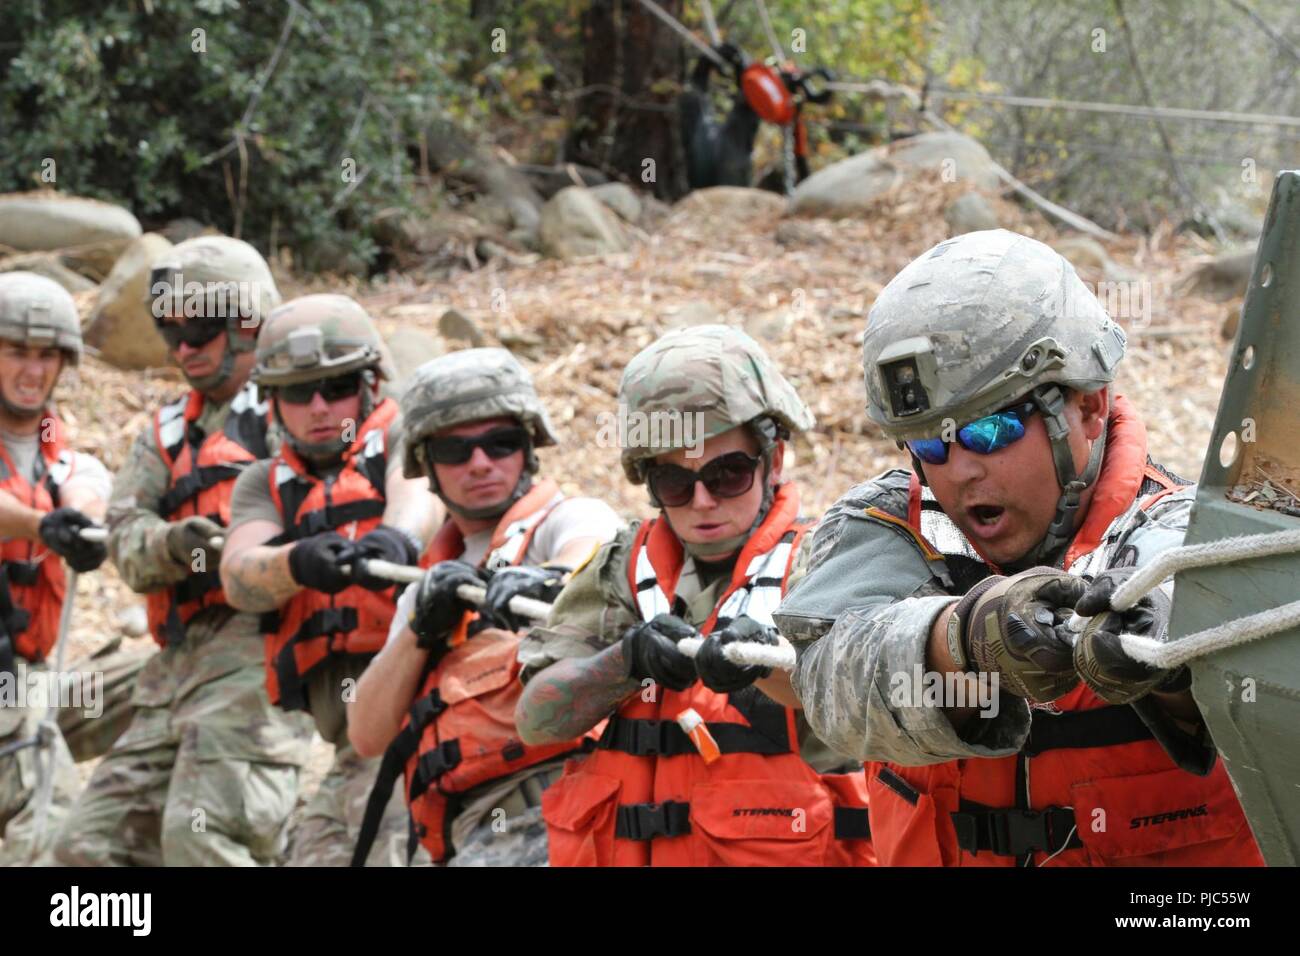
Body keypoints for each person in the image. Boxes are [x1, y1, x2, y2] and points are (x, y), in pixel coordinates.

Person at [775, 229, 1264, 866]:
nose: (957, 472)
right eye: (928, 445)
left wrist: (1170, 668)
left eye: (988, 430)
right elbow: (825, 686)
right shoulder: (885, 526)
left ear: (1087, 407)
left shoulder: (1200, 536)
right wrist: (966, 641)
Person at [514, 324, 873, 867]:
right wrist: (624, 661)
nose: (702, 501)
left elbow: (867, 711)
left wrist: (764, 672)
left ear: (773, 462)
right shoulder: (621, 570)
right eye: (675, 483)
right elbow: (537, 721)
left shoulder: (826, 564)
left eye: (727, 473)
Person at [54, 236, 315, 866]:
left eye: (199, 328)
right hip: (177, 663)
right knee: (87, 850)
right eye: (169, 331)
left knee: (201, 839)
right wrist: (174, 544)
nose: (183, 348)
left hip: (265, 649)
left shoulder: (307, 409)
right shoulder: (170, 429)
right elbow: (124, 536)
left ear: (247, 320)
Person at [349, 348, 621, 867]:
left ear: (529, 449)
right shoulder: (428, 583)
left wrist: (541, 581)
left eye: (501, 443)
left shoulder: (566, 521)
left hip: (575, 809)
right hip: (474, 834)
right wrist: (419, 632)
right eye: (456, 450)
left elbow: (590, 552)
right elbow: (366, 732)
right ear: (426, 464)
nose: (480, 463)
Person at [220, 293, 439, 866]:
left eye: (337, 386)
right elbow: (239, 575)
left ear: (369, 386)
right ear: (272, 402)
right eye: (298, 392)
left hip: (422, 722)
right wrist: (297, 561)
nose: (319, 406)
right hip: (353, 744)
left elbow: (416, 499)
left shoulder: (403, 441)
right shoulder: (261, 484)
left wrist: (398, 540)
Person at [0, 273, 110, 864]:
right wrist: (40, 526)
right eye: (17, 352)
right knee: (49, 808)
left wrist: (82, 524)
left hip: (33, 678)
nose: (32, 371)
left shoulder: (58, 452)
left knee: (161, 694)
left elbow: (89, 486)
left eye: (47, 356)